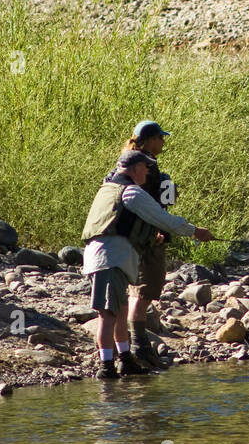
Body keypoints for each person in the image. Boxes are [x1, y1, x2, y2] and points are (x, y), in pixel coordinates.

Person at [82, 150, 214, 380]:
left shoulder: (108, 188)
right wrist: (196, 232)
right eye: (145, 166)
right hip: (108, 259)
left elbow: (124, 224)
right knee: (108, 315)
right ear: (133, 169)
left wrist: (152, 236)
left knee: (121, 311)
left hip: (110, 258)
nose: (148, 170)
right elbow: (163, 219)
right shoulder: (131, 192)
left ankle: (125, 360)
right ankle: (106, 367)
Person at [109, 120, 181, 371]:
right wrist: (158, 230)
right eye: (160, 137)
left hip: (131, 238)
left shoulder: (128, 160)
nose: (163, 141)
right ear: (150, 139)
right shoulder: (144, 165)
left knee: (134, 293)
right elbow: (148, 205)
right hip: (147, 238)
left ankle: (131, 350)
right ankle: (140, 348)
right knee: (143, 291)